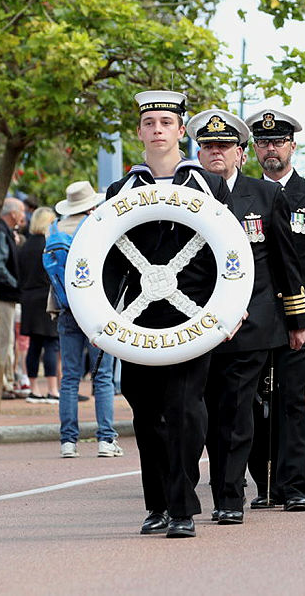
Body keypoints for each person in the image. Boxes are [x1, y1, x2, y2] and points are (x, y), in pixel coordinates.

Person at [102, 90, 234, 539]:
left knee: (184, 409)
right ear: (139, 132)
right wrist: (101, 319)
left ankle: (181, 507)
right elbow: (109, 263)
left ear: (181, 131)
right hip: (139, 319)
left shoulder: (208, 186)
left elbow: (230, 254)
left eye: (165, 122)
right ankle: (157, 504)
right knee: (146, 411)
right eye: (149, 123)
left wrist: (228, 312)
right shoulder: (121, 191)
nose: (157, 130)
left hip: (194, 317)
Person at [188, 108, 305, 523]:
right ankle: (204, 490)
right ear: (198, 154)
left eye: (224, 146)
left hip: (250, 324)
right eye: (208, 146)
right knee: (202, 415)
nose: (216, 153)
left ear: (240, 153)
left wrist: (296, 321)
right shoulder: (183, 196)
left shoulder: (265, 195)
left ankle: (229, 498)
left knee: (237, 413)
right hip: (196, 324)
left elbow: (286, 263)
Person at [244, 105, 305, 513]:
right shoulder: (242, 195)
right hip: (255, 314)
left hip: (300, 313)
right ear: (254, 148)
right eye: (263, 142)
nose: (271, 149)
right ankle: (264, 484)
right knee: (254, 402)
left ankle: (293, 486)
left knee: (290, 400)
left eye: (278, 142)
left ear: (292, 146)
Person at [47, 181, 121, 460]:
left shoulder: (53, 229)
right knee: (102, 376)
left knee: (69, 377)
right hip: (95, 309)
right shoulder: (94, 226)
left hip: (66, 309)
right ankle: (106, 438)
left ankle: (68, 441)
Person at [19, 207, 59, 402]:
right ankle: (52, 389)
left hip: (28, 297)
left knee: (34, 344)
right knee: (51, 343)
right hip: (46, 297)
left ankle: (34, 388)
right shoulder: (48, 245)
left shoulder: (25, 246)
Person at [0, 197, 26, 397]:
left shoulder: (5, 231)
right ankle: (2, 382)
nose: (23, 215)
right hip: (4, 294)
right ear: (13, 213)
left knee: (8, 340)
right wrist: (15, 284)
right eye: (21, 211)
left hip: (8, 294)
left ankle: (7, 380)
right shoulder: (1, 232)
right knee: (3, 340)